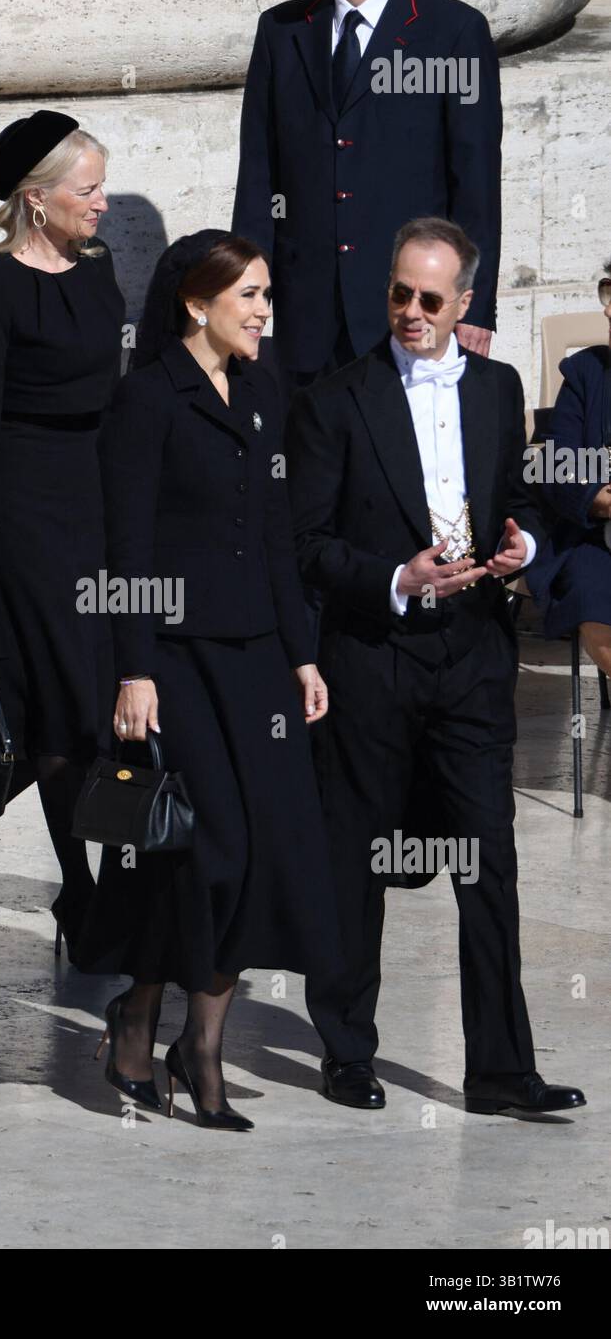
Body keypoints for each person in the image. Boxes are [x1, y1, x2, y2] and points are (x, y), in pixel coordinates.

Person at [288, 215, 585, 1115]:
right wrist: (393, 577)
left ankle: (499, 1068)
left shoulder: (498, 390)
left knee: (489, 863)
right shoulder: (334, 399)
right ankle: (346, 1050)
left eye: (429, 298)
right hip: (374, 655)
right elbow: (304, 544)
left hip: (472, 655)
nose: (410, 312)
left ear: (463, 303)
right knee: (359, 857)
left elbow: (521, 498)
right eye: (397, 293)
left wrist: (521, 543)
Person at [76, 231, 345, 1131]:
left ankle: (179, 1037)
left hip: (261, 656)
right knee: (208, 848)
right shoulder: (147, 398)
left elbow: (276, 535)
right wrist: (135, 670)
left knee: (259, 850)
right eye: (250, 297)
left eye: (268, 293)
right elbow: (127, 548)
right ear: (198, 303)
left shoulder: (267, 391)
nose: (266, 310)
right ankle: (159, 1028)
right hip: (178, 661)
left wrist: (303, 654)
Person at [0, 111, 126, 955]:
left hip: (100, 500)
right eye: (85, 189)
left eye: (101, 186)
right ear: (36, 198)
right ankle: (80, 889)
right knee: (62, 708)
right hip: (26, 515)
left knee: (105, 701)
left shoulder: (99, 273)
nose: (100, 203)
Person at [231, 0, 502, 389]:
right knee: (309, 455)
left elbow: (476, 186)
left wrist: (474, 306)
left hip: (411, 312)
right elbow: (259, 178)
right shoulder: (280, 31)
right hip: (307, 319)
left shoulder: (453, 30)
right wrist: (244, 296)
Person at [527, 263, 611, 673]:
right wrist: (594, 498)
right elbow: (554, 461)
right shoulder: (585, 373)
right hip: (595, 537)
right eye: (608, 296)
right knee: (595, 599)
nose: (609, 311)